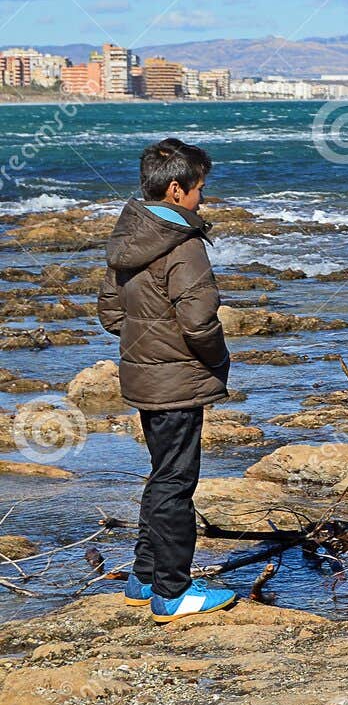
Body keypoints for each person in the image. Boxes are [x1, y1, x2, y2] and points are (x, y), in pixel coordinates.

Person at [96, 138, 236, 624]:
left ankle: (145, 576)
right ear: (176, 190)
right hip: (177, 381)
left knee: (162, 474)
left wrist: (146, 344)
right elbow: (200, 322)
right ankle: (172, 592)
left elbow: (111, 313)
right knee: (176, 482)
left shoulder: (129, 235)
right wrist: (217, 361)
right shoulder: (183, 245)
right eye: (199, 190)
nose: (203, 199)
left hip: (146, 377)